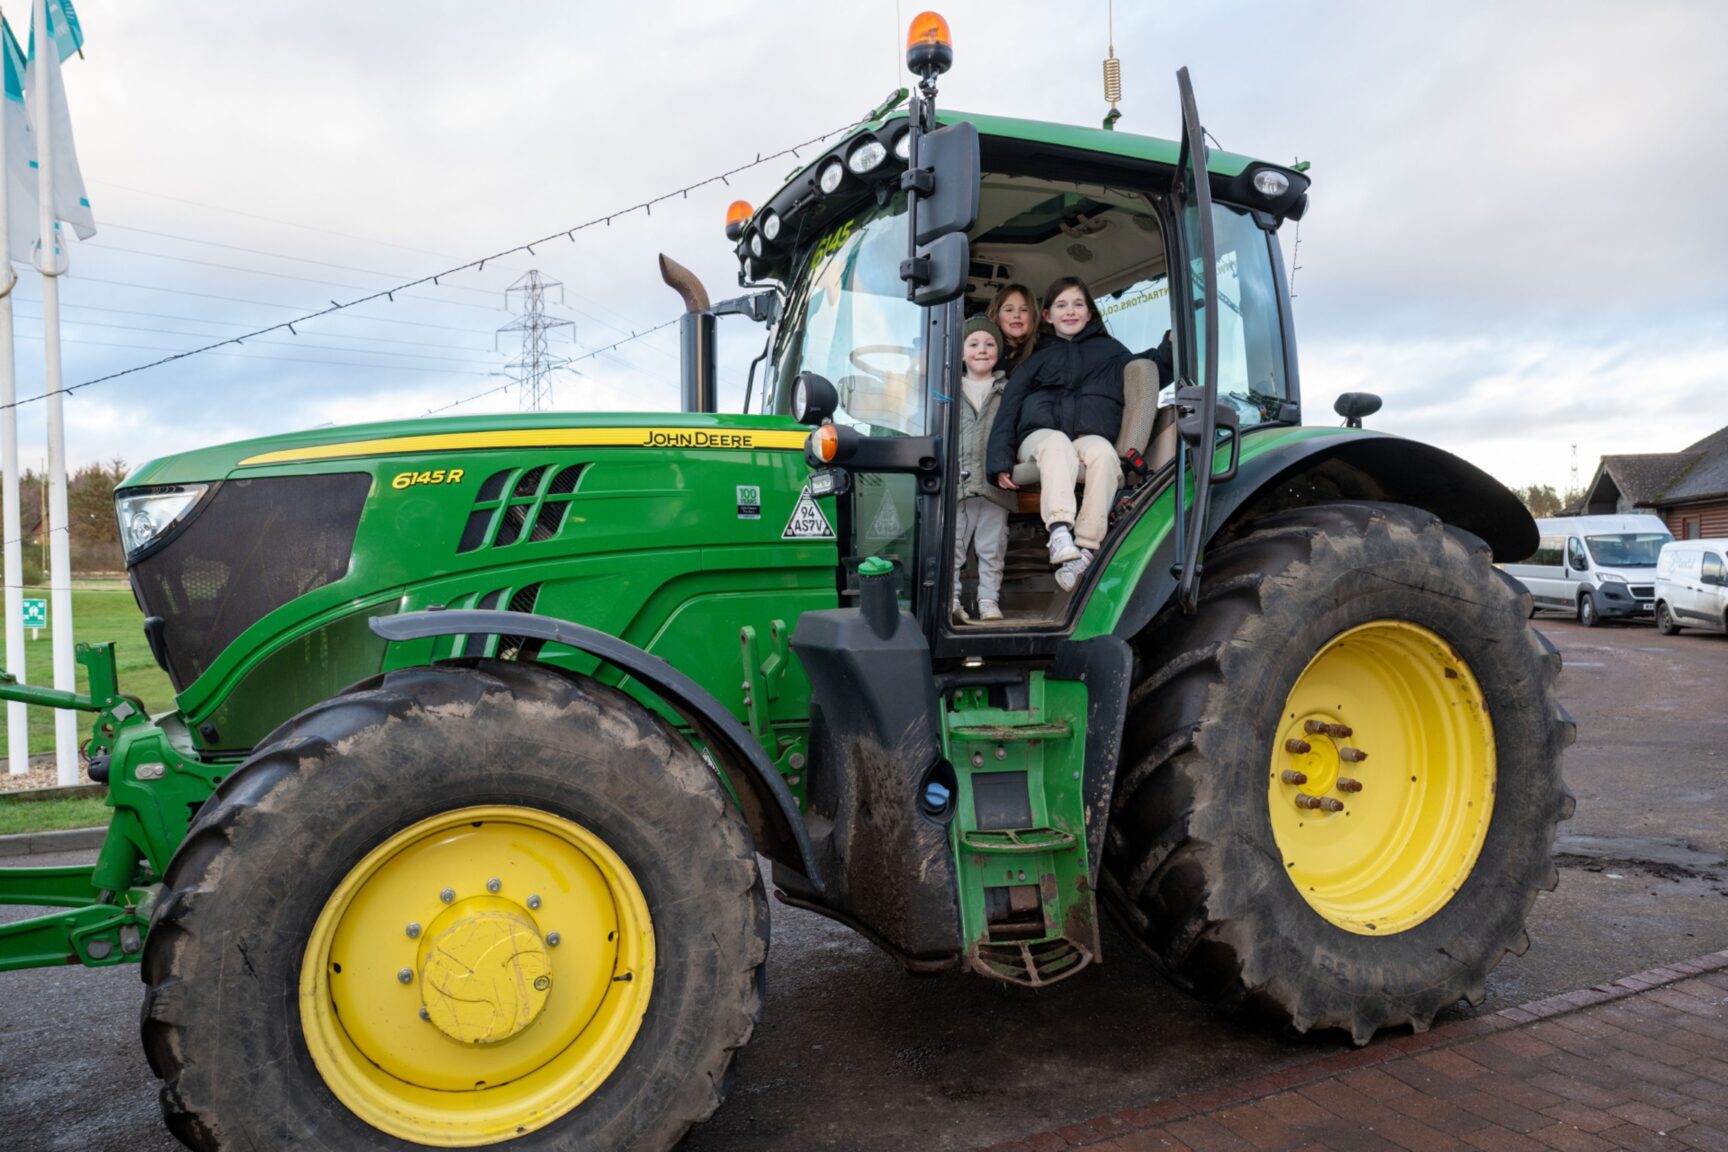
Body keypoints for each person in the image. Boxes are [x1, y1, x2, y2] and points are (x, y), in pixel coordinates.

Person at [987, 277, 1138, 592]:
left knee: (1104, 453)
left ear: (1090, 313)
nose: (1070, 311)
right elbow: (1009, 406)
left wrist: (1170, 345)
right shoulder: (1037, 353)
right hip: (1038, 436)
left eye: (1078, 304)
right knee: (1056, 444)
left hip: (1084, 436)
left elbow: (1144, 369)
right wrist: (999, 458)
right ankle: (1059, 532)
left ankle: (1085, 550)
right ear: (1047, 316)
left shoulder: (1110, 351)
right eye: (1061, 305)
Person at [953, 315, 1015, 623]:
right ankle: (951, 599)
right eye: (973, 343)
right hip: (959, 485)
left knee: (992, 548)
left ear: (999, 352)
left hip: (994, 485)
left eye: (990, 344)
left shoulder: (1008, 391)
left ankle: (989, 599)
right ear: (961, 353)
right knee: (953, 546)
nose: (982, 350)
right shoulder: (949, 391)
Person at [986, 283, 1039, 373]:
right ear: (997, 316)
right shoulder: (984, 351)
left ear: (1032, 316)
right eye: (1009, 310)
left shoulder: (1043, 351)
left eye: (1024, 310)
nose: (1017, 315)